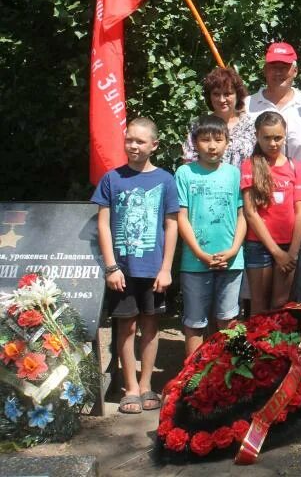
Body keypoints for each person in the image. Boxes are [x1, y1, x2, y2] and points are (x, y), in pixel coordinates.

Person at [91, 117, 178, 414]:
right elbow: (103, 225)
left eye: (140, 141)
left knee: (151, 328)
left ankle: (145, 385)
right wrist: (111, 267)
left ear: (154, 145)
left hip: (153, 269)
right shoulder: (112, 179)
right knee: (126, 328)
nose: (133, 145)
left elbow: (171, 224)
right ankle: (129, 387)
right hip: (123, 270)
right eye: (129, 139)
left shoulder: (166, 180)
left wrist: (166, 268)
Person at [175, 115, 247, 357]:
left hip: (231, 260)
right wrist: (200, 253)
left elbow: (242, 215)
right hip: (195, 262)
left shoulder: (234, 174)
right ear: (195, 143)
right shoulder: (184, 173)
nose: (212, 145)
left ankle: (227, 374)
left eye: (218, 139)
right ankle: (192, 380)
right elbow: (181, 217)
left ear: (228, 142)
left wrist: (234, 249)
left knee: (228, 320)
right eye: (205, 140)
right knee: (195, 323)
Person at [240, 111, 301, 315]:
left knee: (281, 305)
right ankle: (259, 347)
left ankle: (278, 347)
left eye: (278, 137)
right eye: (267, 138)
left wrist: (292, 252)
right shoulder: (249, 165)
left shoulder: (295, 166)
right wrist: (276, 252)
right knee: (259, 306)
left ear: (285, 135)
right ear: (257, 136)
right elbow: (251, 213)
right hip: (259, 246)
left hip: (290, 246)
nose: (273, 143)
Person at [245, 42, 301, 159]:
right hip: (256, 175)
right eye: (273, 67)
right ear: (265, 70)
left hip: (299, 176)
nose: (278, 72)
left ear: (295, 71)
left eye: (284, 67)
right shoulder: (246, 106)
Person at [182, 67, 256, 168]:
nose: (222, 100)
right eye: (216, 94)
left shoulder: (252, 126)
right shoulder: (198, 125)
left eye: (227, 94)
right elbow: (189, 163)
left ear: (237, 95)